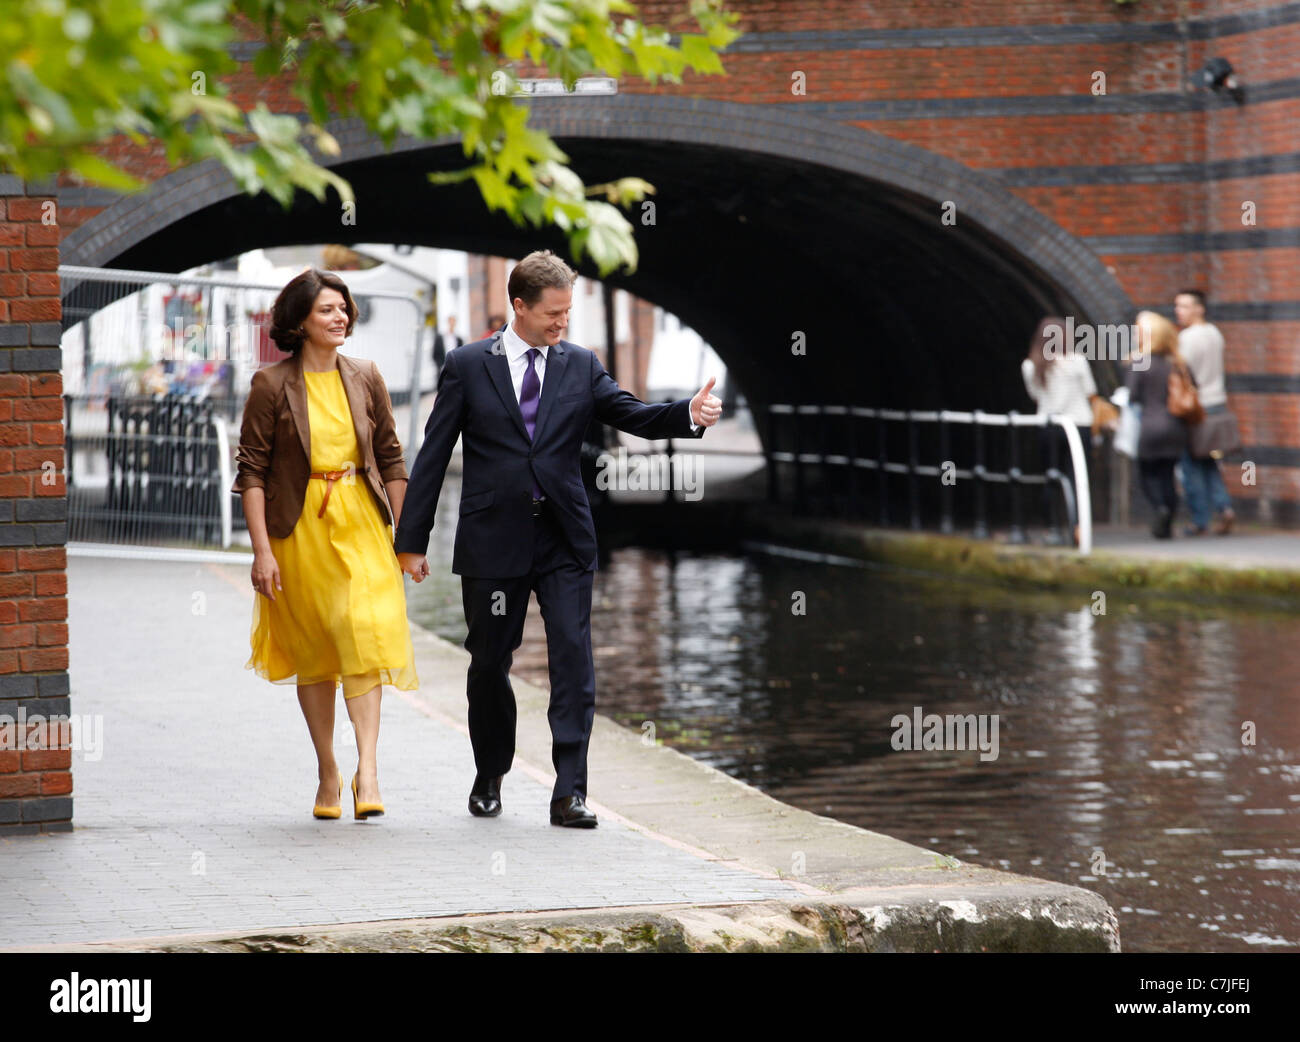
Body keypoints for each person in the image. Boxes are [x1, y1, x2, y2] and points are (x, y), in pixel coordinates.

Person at [393, 251, 722, 828]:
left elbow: (632, 413)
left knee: (573, 660)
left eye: (568, 313)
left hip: (565, 538)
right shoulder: (469, 365)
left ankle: (570, 791)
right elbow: (435, 451)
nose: (561, 323)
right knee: (490, 661)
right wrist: (411, 539)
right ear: (517, 307)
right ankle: (490, 770)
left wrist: (687, 415)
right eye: (552, 313)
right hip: (493, 539)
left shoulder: (579, 363)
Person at [231, 269, 417, 821]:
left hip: (362, 520)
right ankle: (328, 770)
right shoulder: (270, 384)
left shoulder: (365, 375)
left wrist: (407, 538)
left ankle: (369, 770)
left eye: (344, 308)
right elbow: (253, 473)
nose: (340, 318)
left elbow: (391, 458)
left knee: (364, 630)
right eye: (326, 311)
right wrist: (262, 551)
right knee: (318, 647)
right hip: (301, 529)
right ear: (300, 322)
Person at [1021, 316, 1098, 545]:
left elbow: (1034, 395)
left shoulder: (1030, 365)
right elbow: (1090, 391)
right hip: (1079, 425)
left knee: (1051, 476)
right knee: (1078, 477)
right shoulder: (1077, 361)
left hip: (1049, 426)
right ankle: (1078, 527)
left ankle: (1051, 529)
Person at [1126, 310, 1196, 539]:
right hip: (1177, 427)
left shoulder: (1141, 361)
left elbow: (1133, 395)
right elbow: (1193, 387)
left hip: (1151, 425)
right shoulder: (1177, 362)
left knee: (1147, 474)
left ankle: (1160, 508)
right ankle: (1166, 525)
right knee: (1167, 475)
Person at [1174, 289, 1235, 535]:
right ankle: (1225, 508)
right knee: (1209, 461)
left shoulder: (1187, 338)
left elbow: (1182, 373)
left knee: (1190, 466)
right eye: (1178, 306)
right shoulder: (1215, 333)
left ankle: (1200, 521)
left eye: (1185, 306)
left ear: (1200, 308)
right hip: (1217, 402)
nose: (1179, 311)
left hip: (1196, 408)